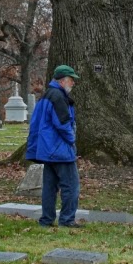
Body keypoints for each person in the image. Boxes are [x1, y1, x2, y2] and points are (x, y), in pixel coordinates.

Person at [26, 65, 82, 228]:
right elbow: (63, 124)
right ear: (63, 80)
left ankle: (46, 219)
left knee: (49, 188)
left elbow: (35, 124)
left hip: (46, 150)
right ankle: (67, 220)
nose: (73, 83)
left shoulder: (45, 96)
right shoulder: (58, 97)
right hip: (60, 150)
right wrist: (72, 140)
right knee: (71, 186)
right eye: (71, 80)